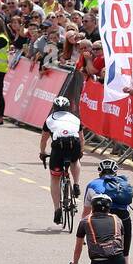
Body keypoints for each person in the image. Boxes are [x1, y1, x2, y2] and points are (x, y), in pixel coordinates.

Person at [82, 158, 133, 264]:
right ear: (115, 172)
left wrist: (83, 235)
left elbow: (86, 213)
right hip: (124, 220)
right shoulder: (122, 183)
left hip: (105, 221)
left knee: (100, 255)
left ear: (99, 172)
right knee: (124, 256)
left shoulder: (92, 185)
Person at [40, 95, 83, 225]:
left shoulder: (50, 119)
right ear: (68, 108)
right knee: (75, 161)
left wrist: (42, 152)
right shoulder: (75, 118)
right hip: (73, 143)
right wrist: (80, 151)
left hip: (58, 146)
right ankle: (76, 184)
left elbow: (44, 139)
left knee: (55, 178)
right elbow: (81, 139)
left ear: (54, 108)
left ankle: (57, 209)